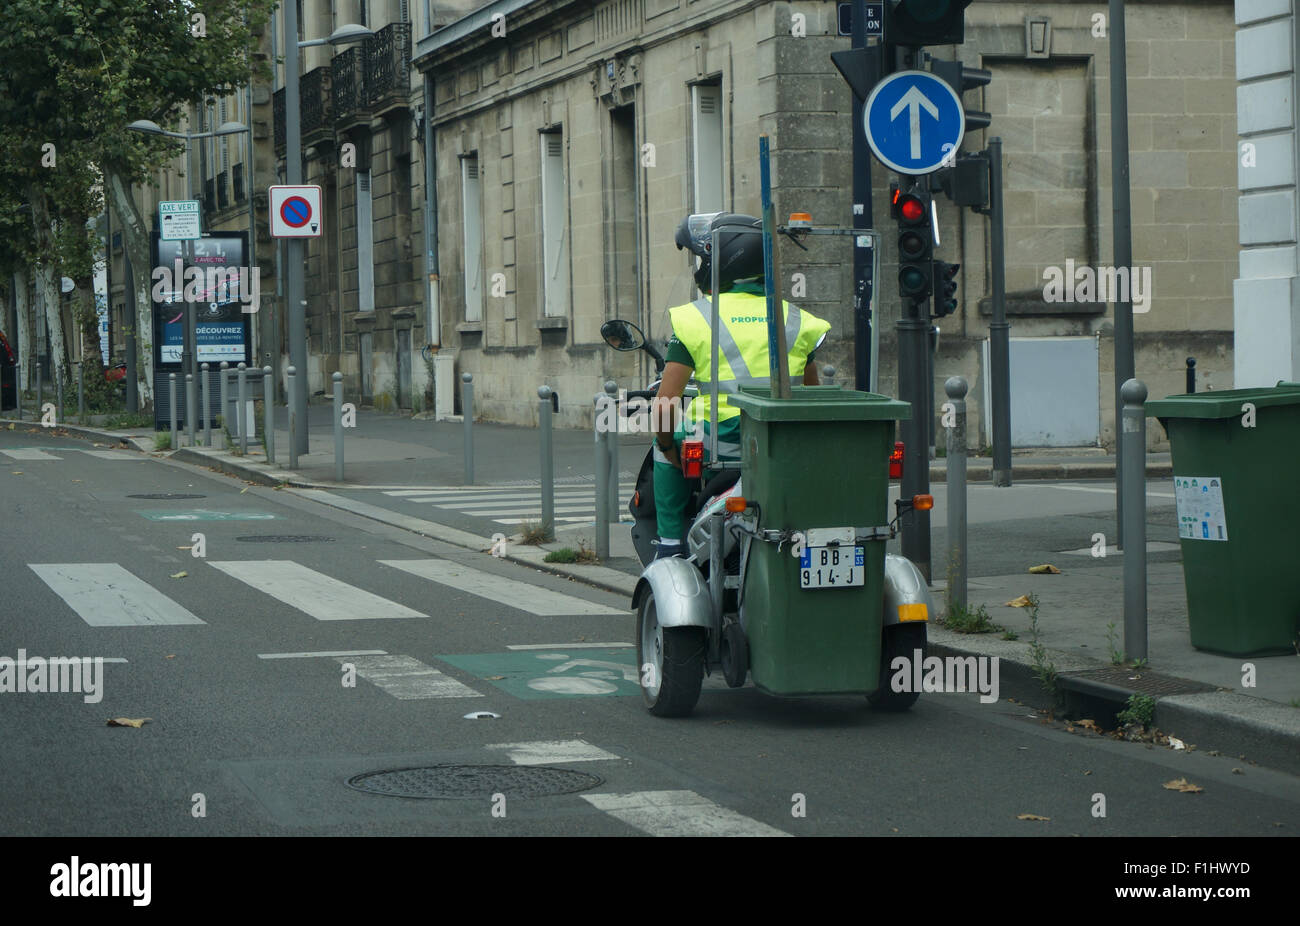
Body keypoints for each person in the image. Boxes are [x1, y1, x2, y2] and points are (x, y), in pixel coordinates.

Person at [651, 212, 831, 559]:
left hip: (721, 440)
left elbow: (665, 404)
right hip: (781, 441)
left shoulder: (695, 318)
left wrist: (668, 445)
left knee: (662, 444)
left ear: (715, 263)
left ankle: (671, 544)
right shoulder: (796, 320)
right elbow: (813, 395)